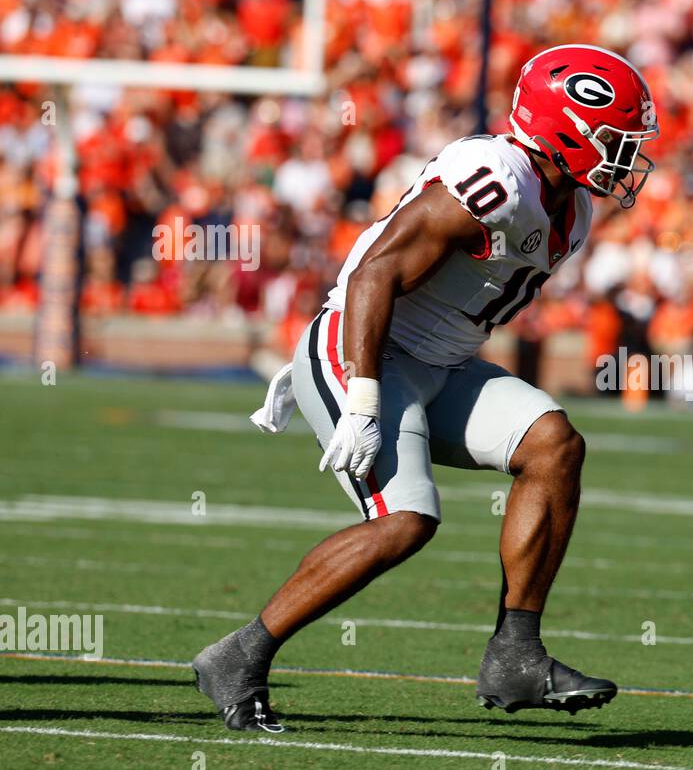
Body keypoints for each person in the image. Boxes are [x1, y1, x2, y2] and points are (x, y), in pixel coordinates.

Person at [193, 45, 659, 732]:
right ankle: (237, 656)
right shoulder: (494, 180)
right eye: (615, 139)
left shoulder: (572, 209)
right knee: (405, 521)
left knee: (553, 445)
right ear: (565, 127)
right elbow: (373, 274)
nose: (625, 157)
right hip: (364, 349)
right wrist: (361, 399)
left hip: (441, 366)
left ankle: (516, 655)